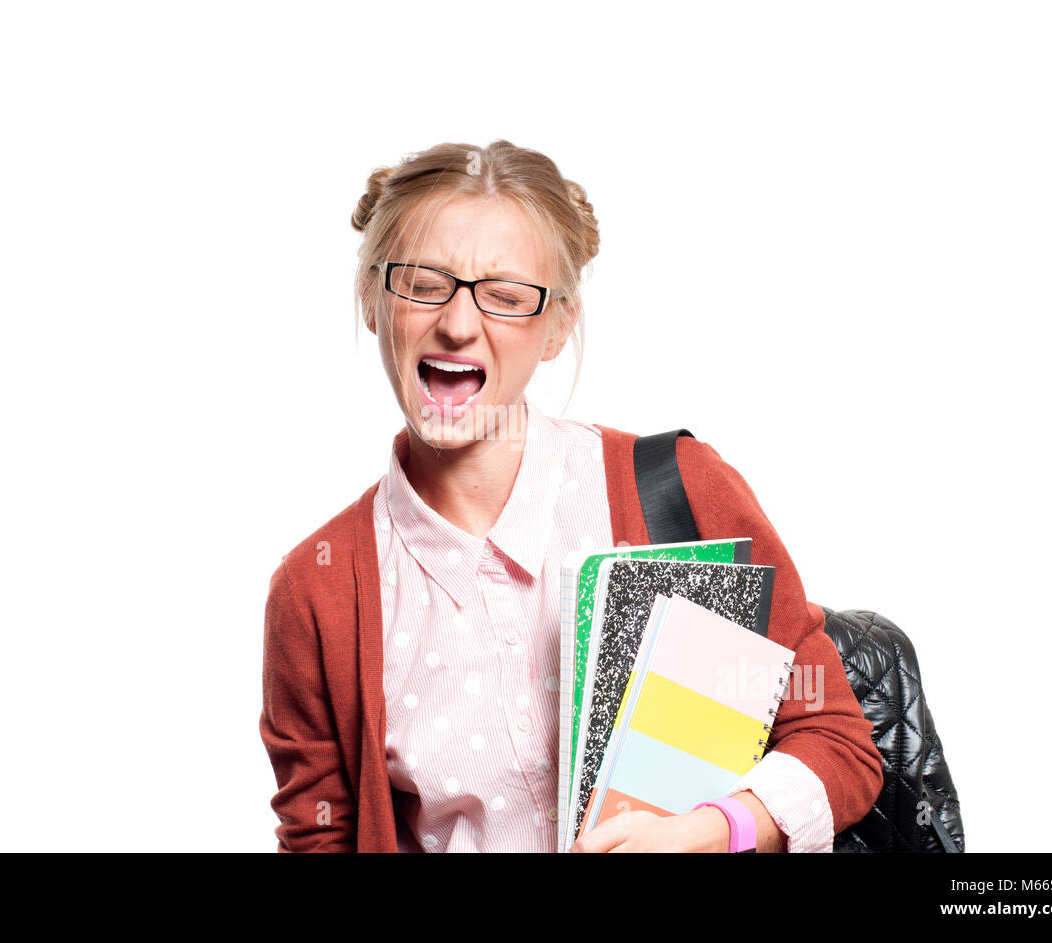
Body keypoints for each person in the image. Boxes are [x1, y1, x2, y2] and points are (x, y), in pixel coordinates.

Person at [260, 140, 882, 853]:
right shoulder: (317, 591)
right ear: (373, 299)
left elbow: (834, 736)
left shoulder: (675, 492)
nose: (459, 323)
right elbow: (319, 836)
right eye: (424, 281)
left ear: (556, 326)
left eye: (505, 295)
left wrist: (716, 831)